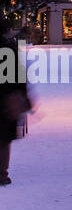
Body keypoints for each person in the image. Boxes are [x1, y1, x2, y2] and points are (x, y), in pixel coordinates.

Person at [0, 25, 34, 186]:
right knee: (3, 140)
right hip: (6, 100)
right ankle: (1, 174)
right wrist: (24, 97)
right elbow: (20, 77)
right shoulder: (9, 49)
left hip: (6, 99)